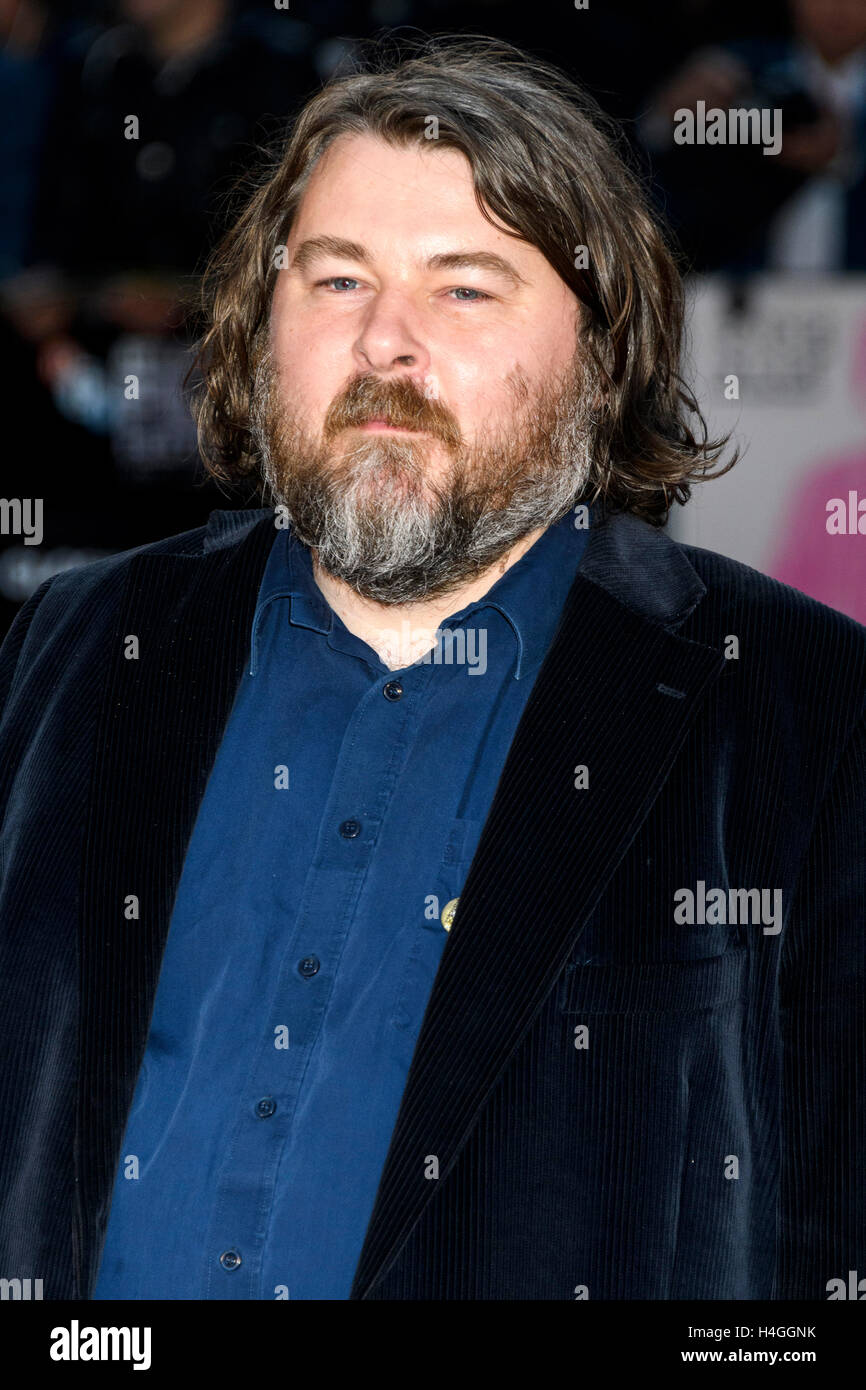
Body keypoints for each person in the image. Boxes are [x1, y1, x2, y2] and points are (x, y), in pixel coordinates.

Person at [0, 35, 863, 1303]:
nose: (384, 346)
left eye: (465, 289)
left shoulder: (802, 712)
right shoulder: (72, 648)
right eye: (336, 281)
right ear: (254, 323)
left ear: (599, 345)